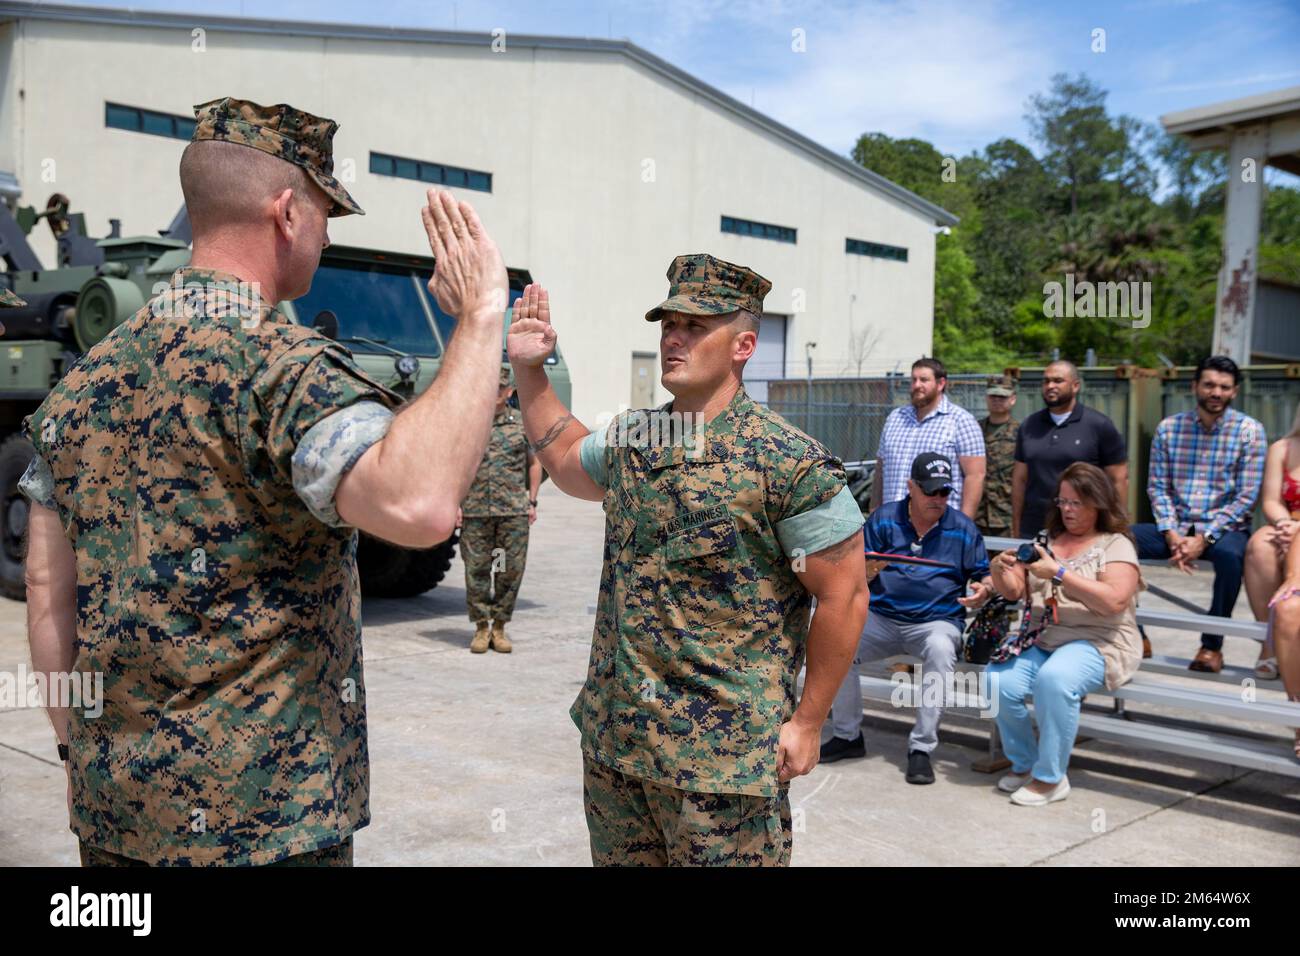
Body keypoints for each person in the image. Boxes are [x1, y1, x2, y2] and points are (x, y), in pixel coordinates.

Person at [19, 97, 508, 866]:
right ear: (287, 212)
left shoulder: (81, 390)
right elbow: (417, 506)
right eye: (323, 215)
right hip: (265, 830)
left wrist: (80, 749)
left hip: (115, 820)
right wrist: (481, 318)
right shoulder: (281, 368)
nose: (322, 234)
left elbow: (49, 590)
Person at [507, 254, 869, 866]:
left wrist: (809, 722)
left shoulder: (788, 462)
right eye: (668, 324)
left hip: (722, 765)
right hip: (619, 746)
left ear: (743, 345)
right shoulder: (636, 439)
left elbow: (845, 596)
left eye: (695, 326)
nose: (674, 337)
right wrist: (529, 371)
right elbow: (566, 461)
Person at [822, 452, 994, 784]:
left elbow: (983, 575)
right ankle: (847, 736)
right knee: (837, 644)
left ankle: (921, 748)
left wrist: (982, 590)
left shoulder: (962, 528)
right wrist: (867, 572)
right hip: (883, 617)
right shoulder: (884, 519)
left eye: (944, 491)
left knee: (942, 649)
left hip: (937, 620)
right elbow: (854, 574)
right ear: (910, 487)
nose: (938, 499)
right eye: (930, 491)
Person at [989, 463, 1142, 805]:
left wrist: (1058, 572)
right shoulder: (1047, 540)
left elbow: (1115, 602)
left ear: (1098, 503)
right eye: (1063, 502)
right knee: (997, 679)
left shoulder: (1115, 544)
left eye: (1077, 503)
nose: (1068, 510)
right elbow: (1014, 591)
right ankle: (1026, 764)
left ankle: (1050, 778)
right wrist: (998, 571)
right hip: (1044, 639)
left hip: (1100, 641)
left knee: (1055, 678)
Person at [1133, 355, 1266, 673]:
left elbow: (1246, 497)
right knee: (1116, 540)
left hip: (1223, 529)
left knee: (1232, 558)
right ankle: (1135, 634)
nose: (1215, 392)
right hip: (1175, 527)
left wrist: (1203, 539)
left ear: (1234, 392)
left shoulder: (1250, 431)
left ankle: (1211, 646)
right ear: (1195, 387)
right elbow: (1157, 488)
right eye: (1209, 385)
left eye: (1224, 387)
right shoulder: (1169, 429)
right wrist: (1172, 533)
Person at [457, 366, 542, 653]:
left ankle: (500, 627)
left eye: (499, 388)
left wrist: (532, 501)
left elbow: (534, 463)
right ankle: (481, 627)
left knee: (509, 570)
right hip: (475, 511)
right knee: (477, 569)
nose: (492, 393)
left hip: (513, 511)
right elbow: (458, 468)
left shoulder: (521, 424)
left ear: (508, 392)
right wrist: (455, 504)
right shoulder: (470, 424)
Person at [1012, 360, 1127, 539]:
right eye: (1046, 381)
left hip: (1083, 529)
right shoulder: (1029, 426)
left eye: (1058, 381)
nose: (1050, 386)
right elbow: (1020, 480)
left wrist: (1118, 528)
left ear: (1075, 386)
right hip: (1035, 527)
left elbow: (1118, 479)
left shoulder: (1099, 425)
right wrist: (1017, 526)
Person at [874, 357, 985, 518]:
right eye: (914, 380)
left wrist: (964, 524)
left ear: (941, 384)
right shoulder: (895, 418)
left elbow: (975, 476)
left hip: (938, 526)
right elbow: (880, 467)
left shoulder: (961, 421)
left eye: (924, 380)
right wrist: (874, 510)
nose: (917, 385)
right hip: (891, 523)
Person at [1244, 402, 1300, 680]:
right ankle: (1270, 645)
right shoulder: (1282, 448)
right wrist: (1285, 524)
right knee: (1259, 544)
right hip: (1286, 526)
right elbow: (1270, 500)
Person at [975, 375, 1020, 538]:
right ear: (986, 397)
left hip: (1006, 516)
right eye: (993, 395)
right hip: (977, 516)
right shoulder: (974, 429)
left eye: (1002, 396)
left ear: (1013, 399)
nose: (997, 400)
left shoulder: (1022, 433)